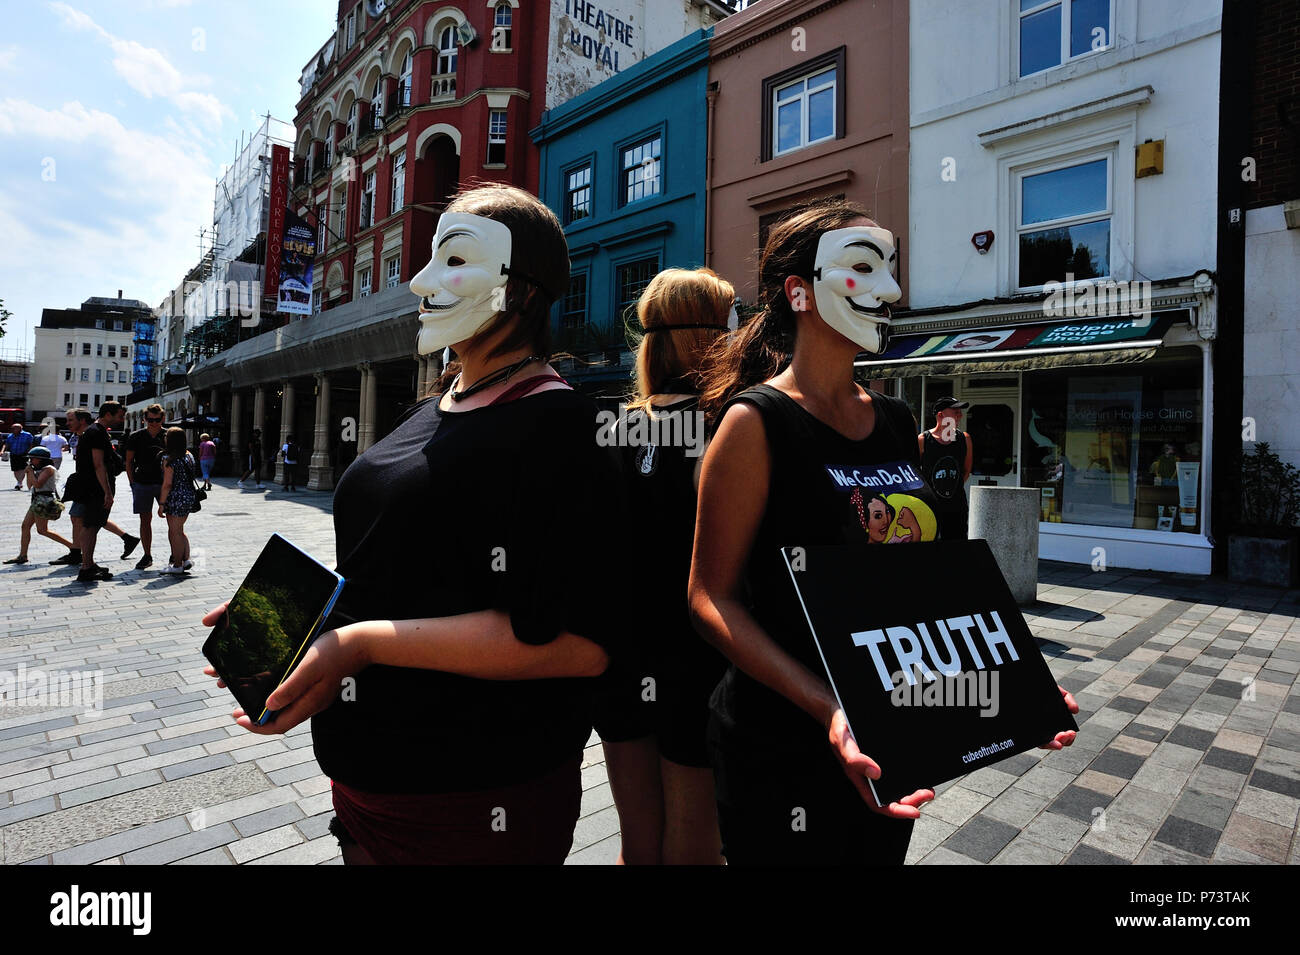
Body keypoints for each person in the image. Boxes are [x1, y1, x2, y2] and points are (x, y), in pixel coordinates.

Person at [202, 183, 628, 865]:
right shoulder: (428, 410)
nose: (420, 280)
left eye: (454, 260)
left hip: (476, 801)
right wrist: (308, 617)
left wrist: (360, 644)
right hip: (364, 790)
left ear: (519, 292)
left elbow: (580, 643)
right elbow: (401, 569)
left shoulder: (567, 428)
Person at [688, 199, 1079, 865]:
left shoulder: (898, 419)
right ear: (800, 291)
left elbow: (920, 581)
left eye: (892, 269)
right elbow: (709, 598)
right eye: (865, 268)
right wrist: (830, 708)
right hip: (779, 747)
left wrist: (1012, 688)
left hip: (887, 738)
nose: (893, 290)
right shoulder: (755, 424)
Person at [593, 268, 732, 865]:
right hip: (699, 668)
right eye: (731, 322)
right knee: (697, 852)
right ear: (706, 337)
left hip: (621, 665)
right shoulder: (729, 427)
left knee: (638, 847)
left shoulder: (611, 428)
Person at [50, 409, 137, 568]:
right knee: (82, 519)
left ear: (82, 420)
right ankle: (83, 556)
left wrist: (107, 492)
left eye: (70, 420)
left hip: (92, 486)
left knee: (88, 522)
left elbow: (99, 464)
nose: (67, 423)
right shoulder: (88, 433)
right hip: (87, 485)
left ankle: (84, 560)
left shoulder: (93, 433)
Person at [71, 401, 126, 583]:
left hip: (93, 487)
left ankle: (88, 563)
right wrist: (107, 492)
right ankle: (86, 567)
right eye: (120, 415)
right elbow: (98, 464)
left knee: (92, 525)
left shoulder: (96, 431)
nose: (122, 419)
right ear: (108, 414)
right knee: (90, 526)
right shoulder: (96, 433)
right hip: (95, 488)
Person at [3, 447, 76, 564]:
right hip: (37, 500)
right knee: (25, 526)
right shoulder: (36, 469)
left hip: (44, 501)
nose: (30, 460)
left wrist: (30, 472)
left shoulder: (48, 469)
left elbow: (38, 484)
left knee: (42, 530)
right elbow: (29, 486)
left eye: (33, 458)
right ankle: (23, 555)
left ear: (41, 459)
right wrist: (28, 473)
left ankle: (73, 547)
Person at [918, 396, 973, 541]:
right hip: (930, 505)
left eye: (960, 411)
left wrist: (950, 488)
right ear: (940, 415)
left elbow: (966, 470)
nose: (959, 415)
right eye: (955, 411)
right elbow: (914, 472)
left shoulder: (964, 438)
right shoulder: (923, 440)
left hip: (956, 506)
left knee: (956, 547)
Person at [124, 404, 167, 570]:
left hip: (165, 484)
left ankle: (175, 554)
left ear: (162, 419)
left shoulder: (168, 435)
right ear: (144, 419)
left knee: (172, 520)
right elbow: (128, 461)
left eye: (157, 420)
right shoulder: (136, 436)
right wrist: (132, 482)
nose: (153, 423)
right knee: (145, 520)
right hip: (142, 483)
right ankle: (147, 555)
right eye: (150, 419)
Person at [157, 427, 196, 575]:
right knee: (179, 530)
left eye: (167, 436)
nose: (165, 438)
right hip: (188, 495)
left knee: (174, 532)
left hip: (175, 497)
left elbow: (167, 484)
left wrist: (161, 504)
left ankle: (177, 565)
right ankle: (186, 559)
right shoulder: (189, 455)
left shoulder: (169, 459)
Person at [4, 423, 35, 490]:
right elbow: (6, 444)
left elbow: (31, 444)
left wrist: (30, 452)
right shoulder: (10, 436)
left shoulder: (27, 435)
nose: (12, 429)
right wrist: (2, 451)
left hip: (23, 454)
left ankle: (19, 483)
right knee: (15, 469)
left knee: (22, 468)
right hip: (14, 454)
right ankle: (19, 482)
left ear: (20, 428)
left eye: (14, 428)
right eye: (12, 428)